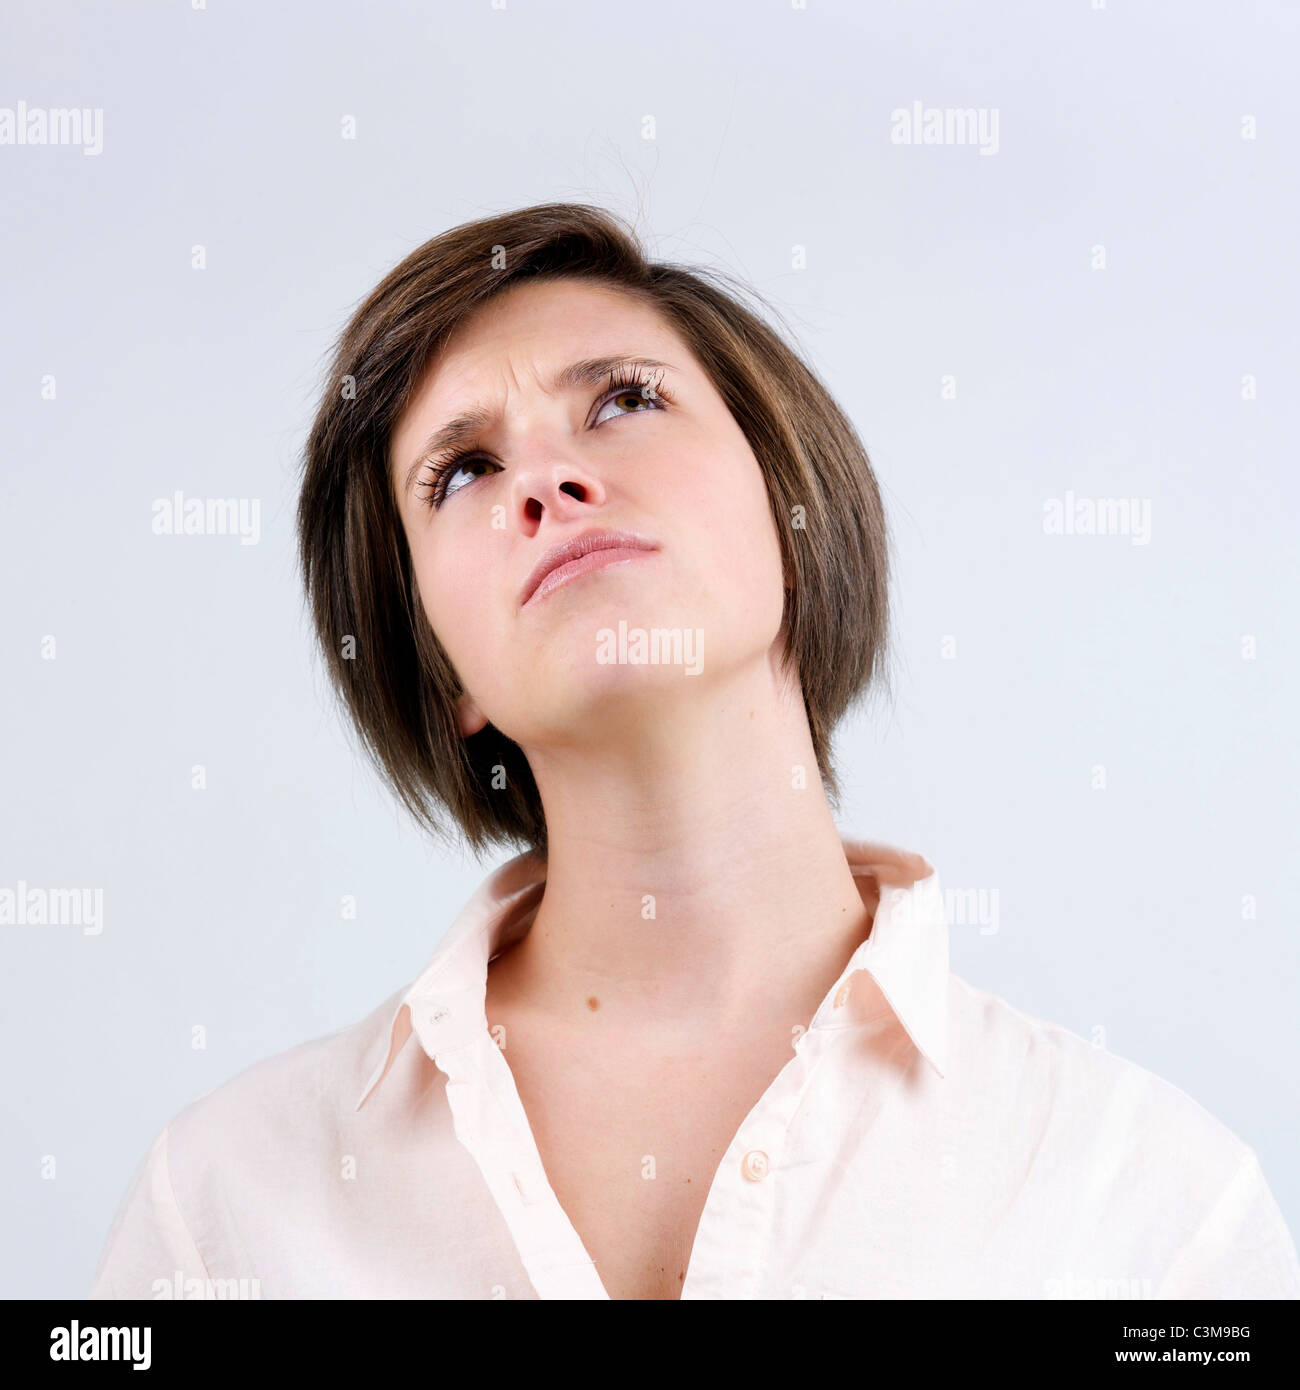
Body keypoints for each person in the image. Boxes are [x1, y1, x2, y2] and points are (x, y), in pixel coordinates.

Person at [89, 203, 1300, 1300]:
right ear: (442, 669)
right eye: (462, 470)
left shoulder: (1148, 1203)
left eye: (623, 400)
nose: (547, 479)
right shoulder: (228, 1205)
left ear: (792, 507)